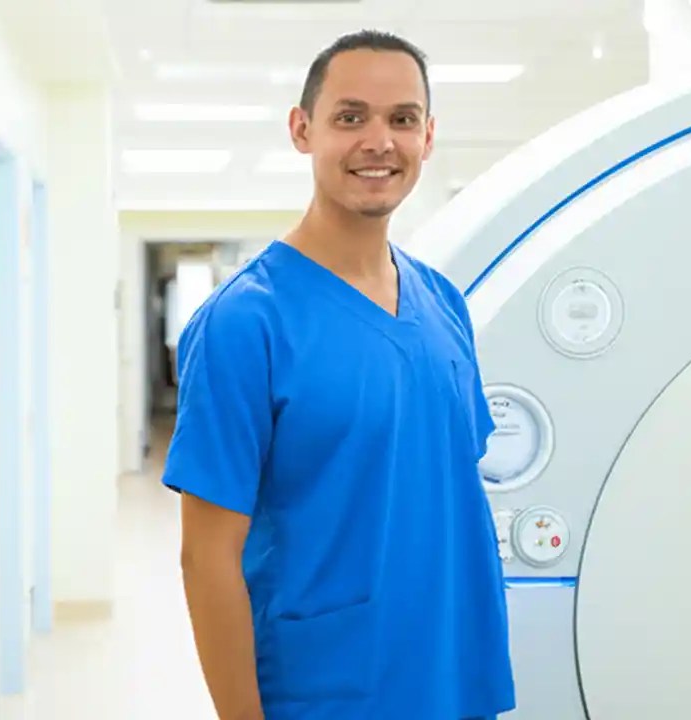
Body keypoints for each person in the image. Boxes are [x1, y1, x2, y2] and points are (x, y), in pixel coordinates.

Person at [160, 30, 515, 720]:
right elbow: (205, 559)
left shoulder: (443, 302)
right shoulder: (244, 323)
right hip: (325, 688)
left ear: (428, 137)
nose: (378, 141)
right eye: (350, 117)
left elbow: (441, 490)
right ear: (303, 129)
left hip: (451, 676)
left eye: (402, 119)